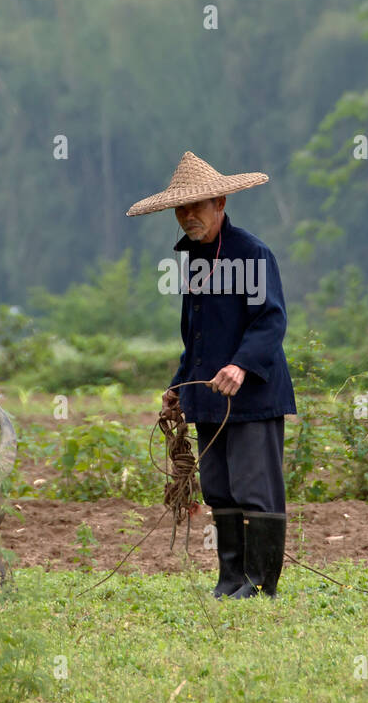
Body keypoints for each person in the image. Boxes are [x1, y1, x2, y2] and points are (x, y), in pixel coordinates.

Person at [126, 151, 296, 598]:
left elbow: (271, 321)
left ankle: (262, 585)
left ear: (220, 203)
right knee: (219, 487)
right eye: (180, 209)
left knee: (254, 488)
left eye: (196, 207)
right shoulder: (195, 260)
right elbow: (197, 338)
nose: (187, 216)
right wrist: (179, 385)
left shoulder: (253, 253)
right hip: (209, 396)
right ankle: (231, 579)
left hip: (253, 393)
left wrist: (240, 365)